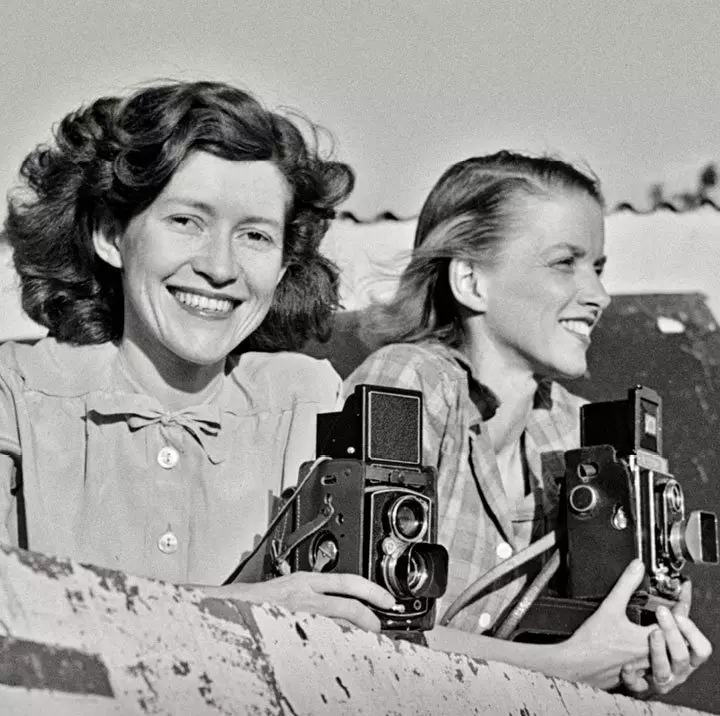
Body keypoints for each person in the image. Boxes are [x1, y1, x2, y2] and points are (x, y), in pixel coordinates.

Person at [0, 80, 395, 632]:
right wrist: (239, 610)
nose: (220, 267)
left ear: (284, 265)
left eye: (255, 235)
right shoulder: (16, 393)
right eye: (187, 221)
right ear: (111, 235)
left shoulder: (312, 403)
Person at [343, 151, 713, 694]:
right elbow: (359, 625)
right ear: (470, 280)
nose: (598, 296)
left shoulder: (570, 429)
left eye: (599, 268)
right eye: (566, 262)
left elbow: (591, 649)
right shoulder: (409, 384)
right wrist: (566, 666)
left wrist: (640, 652)